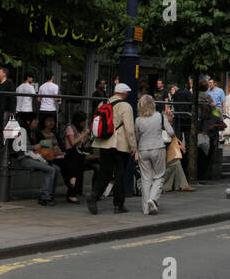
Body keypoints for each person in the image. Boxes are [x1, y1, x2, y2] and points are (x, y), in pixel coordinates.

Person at [88, 82, 137, 215]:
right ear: (124, 93)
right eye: (127, 92)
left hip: (103, 143)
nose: (127, 94)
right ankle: (118, 205)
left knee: (105, 172)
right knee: (120, 173)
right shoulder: (126, 106)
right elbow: (129, 129)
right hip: (119, 145)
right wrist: (133, 146)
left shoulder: (102, 104)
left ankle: (94, 195)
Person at [134, 94, 170, 216]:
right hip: (158, 147)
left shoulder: (138, 120)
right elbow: (171, 132)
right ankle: (153, 199)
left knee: (145, 178)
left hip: (143, 149)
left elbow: (137, 137)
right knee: (159, 175)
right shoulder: (160, 116)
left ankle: (145, 209)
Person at [61, 111, 92, 204]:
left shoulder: (79, 130)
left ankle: (73, 191)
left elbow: (80, 144)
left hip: (78, 153)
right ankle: (72, 193)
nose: (84, 123)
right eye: (83, 121)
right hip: (70, 153)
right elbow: (73, 143)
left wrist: (87, 139)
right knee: (75, 170)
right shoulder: (70, 128)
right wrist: (83, 134)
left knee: (93, 164)